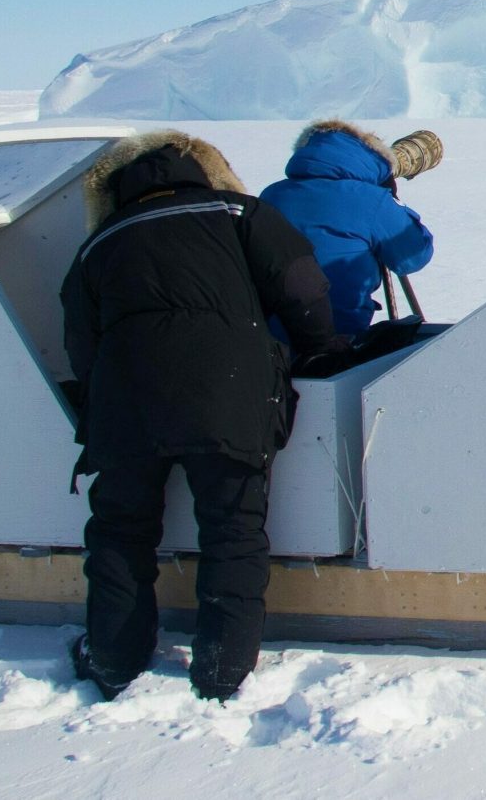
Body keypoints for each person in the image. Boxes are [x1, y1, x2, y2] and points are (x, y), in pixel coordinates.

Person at [61, 130, 344, 702]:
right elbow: (300, 282)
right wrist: (318, 346)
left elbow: (81, 345)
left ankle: (114, 661)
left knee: (119, 531)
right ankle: (221, 671)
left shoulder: (98, 245)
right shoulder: (238, 212)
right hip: (228, 396)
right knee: (233, 529)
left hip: (126, 406)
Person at [260, 120, 435, 338]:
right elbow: (414, 256)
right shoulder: (370, 199)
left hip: (271, 338)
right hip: (339, 338)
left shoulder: (271, 196)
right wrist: (392, 202)